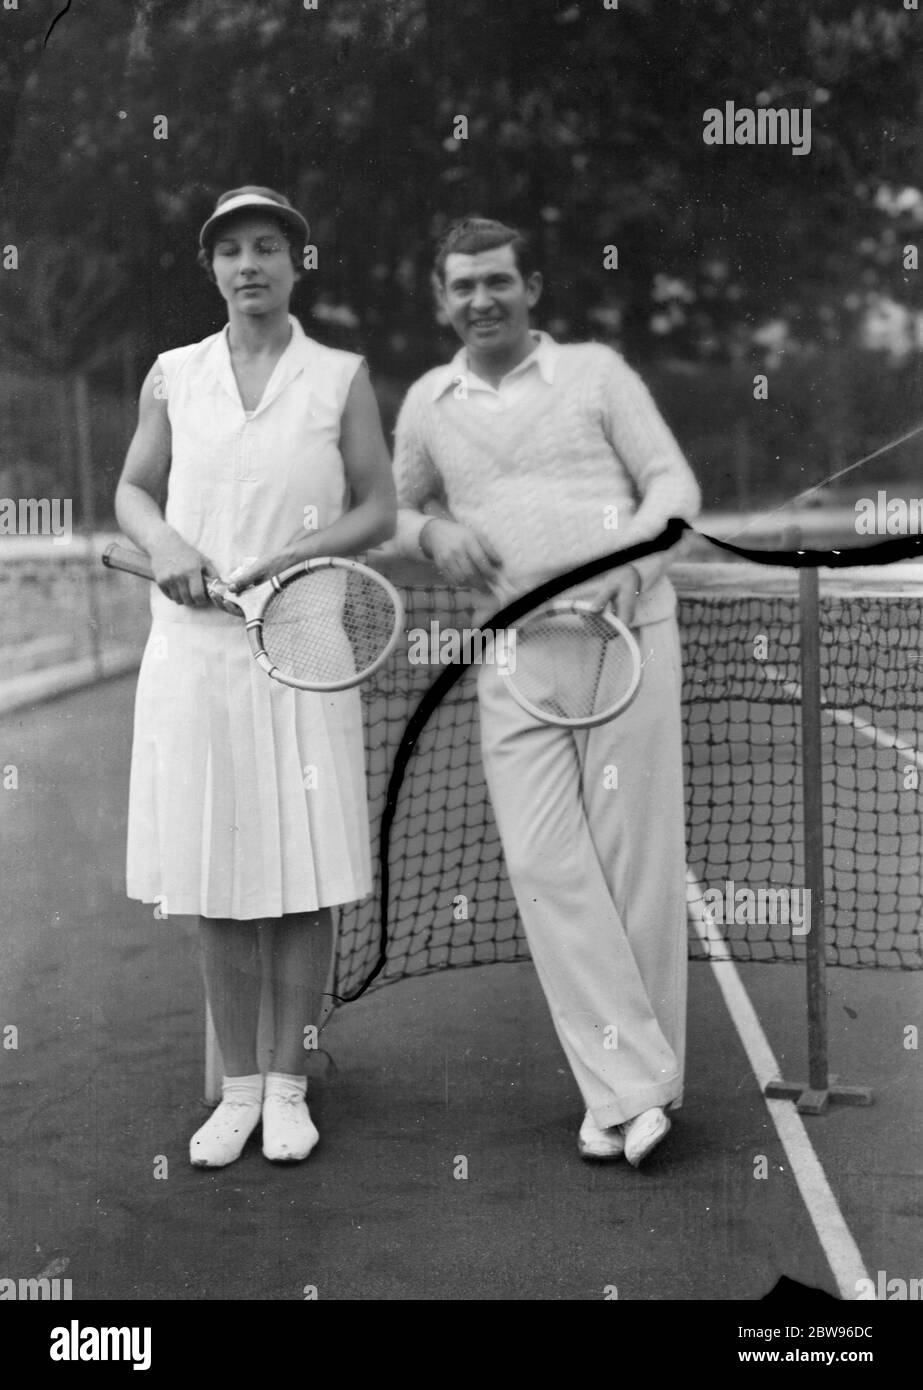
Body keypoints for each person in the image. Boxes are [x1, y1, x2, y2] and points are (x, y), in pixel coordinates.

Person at [392, 217, 701, 1166]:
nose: (480, 299)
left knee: (632, 866)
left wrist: (635, 570)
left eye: (497, 281)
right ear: (442, 302)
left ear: (530, 287)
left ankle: (624, 1092)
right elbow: (396, 509)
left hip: (626, 642)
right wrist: (430, 536)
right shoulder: (427, 402)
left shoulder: (598, 374)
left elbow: (672, 488)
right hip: (513, 655)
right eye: (462, 287)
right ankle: (629, 1085)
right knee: (541, 862)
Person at [115, 186, 396, 1168]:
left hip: (304, 647)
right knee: (216, 879)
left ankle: (287, 1088)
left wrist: (283, 560)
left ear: (297, 261)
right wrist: (166, 547)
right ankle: (236, 1090)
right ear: (212, 268)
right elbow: (132, 491)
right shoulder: (172, 376)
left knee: (300, 876)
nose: (249, 264)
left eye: (267, 246)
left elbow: (379, 507)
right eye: (230, 249)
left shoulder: (339, 376)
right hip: (193, 657)